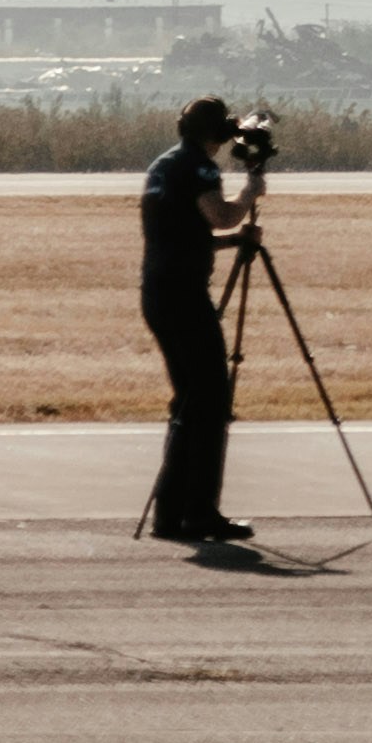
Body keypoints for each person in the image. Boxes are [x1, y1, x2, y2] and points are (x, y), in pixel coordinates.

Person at [138, 92, 264, 561]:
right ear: (215, 133)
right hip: (184, 297)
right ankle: (199, 512)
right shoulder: (201, 168)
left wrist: (235, 241)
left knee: (189, 400)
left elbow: (191, 233)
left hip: (158, 292)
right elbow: (219, 215)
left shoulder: (165, 164)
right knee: (211, 401)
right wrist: (251, 190)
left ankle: (172, 513)